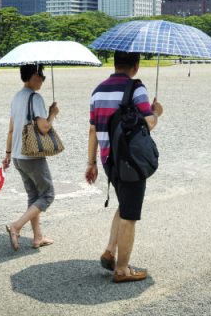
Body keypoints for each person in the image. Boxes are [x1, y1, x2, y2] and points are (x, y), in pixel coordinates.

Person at [85, 52, 163, 283]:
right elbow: (148, 123)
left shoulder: (97, 91)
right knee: (130, 214)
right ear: (136, 66)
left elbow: (92, 130)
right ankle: (122, 269)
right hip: (129, 159)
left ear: (115, 62)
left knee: (124, 203)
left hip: (108, 159)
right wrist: (156, 111)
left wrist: (91, 163)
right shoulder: (136, 88)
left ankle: (110, 251)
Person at [2, 63, 59, 250]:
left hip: (18, 156)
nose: (43, 79)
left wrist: (8, 154)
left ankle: (38, 237)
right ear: (33, 75)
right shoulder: (35, 98)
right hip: (31, 156)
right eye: (40, 75)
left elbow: (11, 130)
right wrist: (52, 115)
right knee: (48, 195)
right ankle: (16, 226)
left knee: (33, 196)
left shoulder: (16, 98)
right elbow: (44, 128)